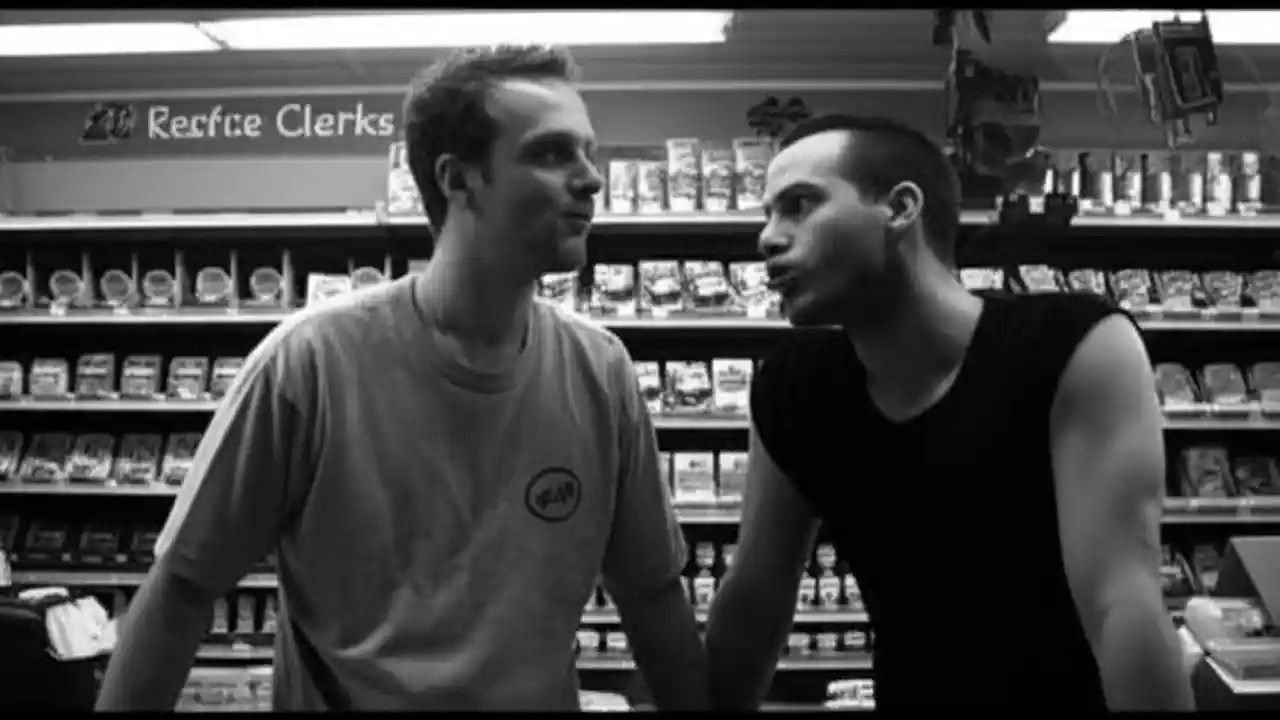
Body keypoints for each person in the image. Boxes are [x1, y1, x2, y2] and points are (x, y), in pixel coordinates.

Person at [95, 45, 708, 712]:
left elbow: (652, 596)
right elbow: (184, 587)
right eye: (553, 152)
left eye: (589, 152)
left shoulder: (601, 370)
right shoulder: (310, 364)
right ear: (459, 177)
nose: (591, 179)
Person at [704, 114, 1194, 711]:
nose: (768, 239)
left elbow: (1122, 601)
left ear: (901, 208)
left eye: (800, 205)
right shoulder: (793, 388)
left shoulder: (1069, 345)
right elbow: (754, 603)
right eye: (767, 214)